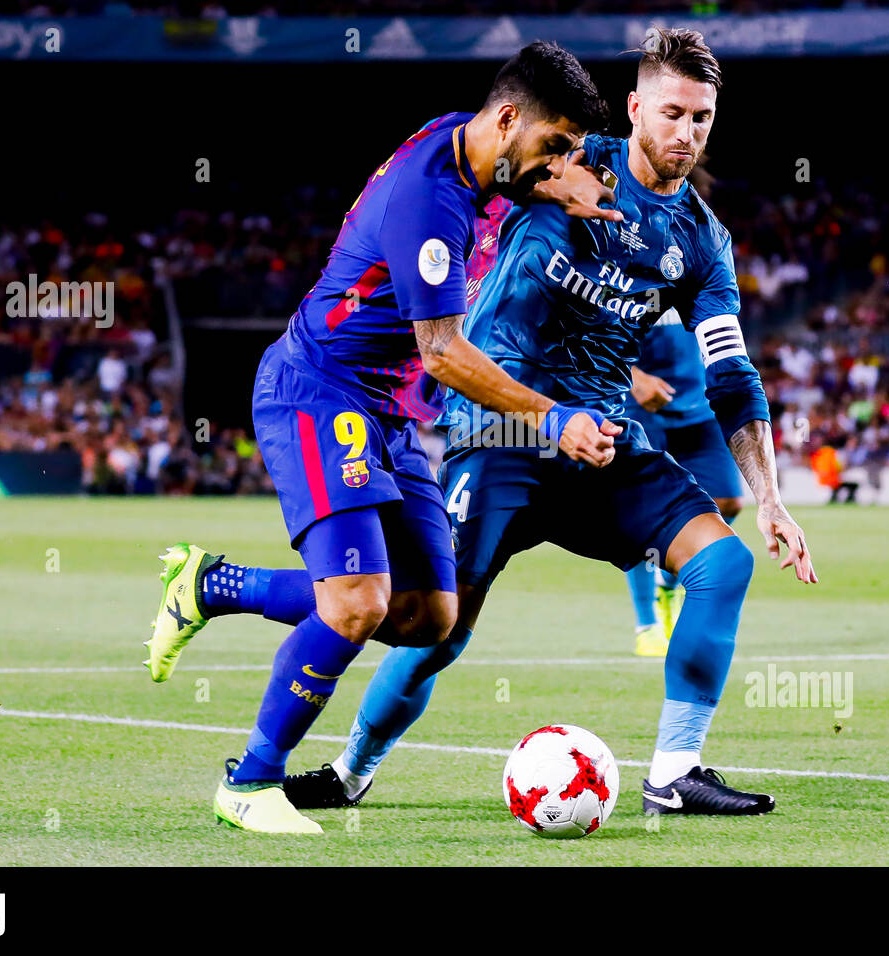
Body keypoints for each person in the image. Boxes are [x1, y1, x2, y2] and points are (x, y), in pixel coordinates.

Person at [285, 28, 817, 820]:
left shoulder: (702, 242)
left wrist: (769, 494)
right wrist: (547, 187)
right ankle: (350, 768)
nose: (686, 133)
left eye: (702, 119)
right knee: (442, 623)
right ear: (636, 108)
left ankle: (675, 771)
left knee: (723, 565)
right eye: (671, 112)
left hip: (601, 437)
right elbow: (477, 168)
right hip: (502, 427)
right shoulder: (564, 154)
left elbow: (731, 372)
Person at [144, 42, 624, 834]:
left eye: (569, 149)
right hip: (319, 389)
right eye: (554, 146)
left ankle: (210, 587)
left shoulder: (476, 148)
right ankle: (250, 782)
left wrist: (557, 181)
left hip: (390, 415)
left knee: (429, 615)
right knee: (358, 604)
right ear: (507, 120)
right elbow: (441, 350)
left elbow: (519, 174)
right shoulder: (431, 201)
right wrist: (555, 418)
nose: (560, 163)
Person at [623, 312, 748, 657]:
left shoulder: (706, 263)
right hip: (639, 403)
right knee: (642, 511)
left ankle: (667, 582)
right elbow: (587, 327)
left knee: (728, 501)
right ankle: (647, 626)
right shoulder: (622, 263)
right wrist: (632, 377)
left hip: (699, 400)